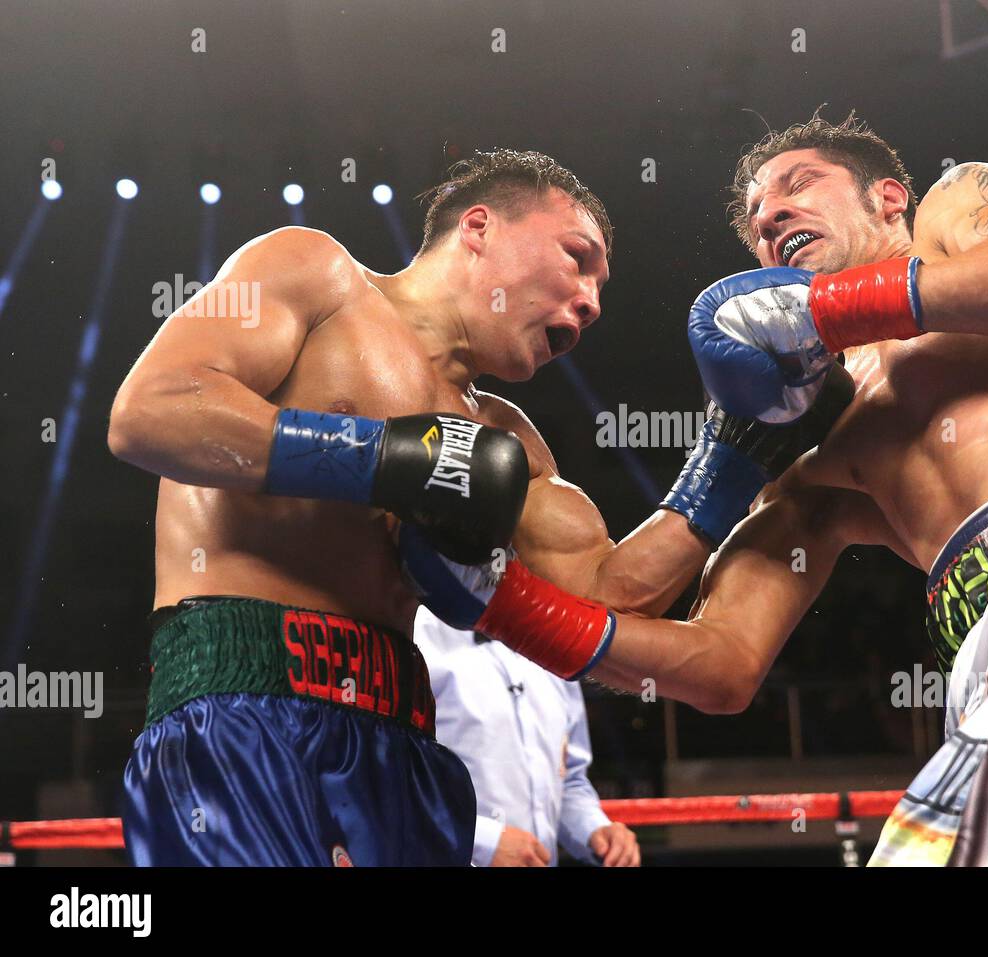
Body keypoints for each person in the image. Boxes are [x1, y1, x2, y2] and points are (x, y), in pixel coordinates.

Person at [449, 114, 988, 867]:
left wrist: (826, 308)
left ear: (887, 197)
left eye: (800, 183)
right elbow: (721, 660)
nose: (773, 214)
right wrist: (506, 607)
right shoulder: (823, 442)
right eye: (757, 219)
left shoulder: (963, 206)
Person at [108, 148, 845, 865]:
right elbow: (152, 412)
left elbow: (608, 596)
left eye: (598, 287)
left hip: (400, 745)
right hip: (244, 712)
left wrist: (728, 463)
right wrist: (384, 460)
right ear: (479, 228)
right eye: (576, 257)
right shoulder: (315, 273)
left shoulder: (506, 440)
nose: (590, 301)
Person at [416, 610, 639, 867]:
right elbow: (394, 785)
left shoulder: (551, 646)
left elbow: (569, 782)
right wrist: (483, 841)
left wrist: (596, 829)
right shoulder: (414, 633)